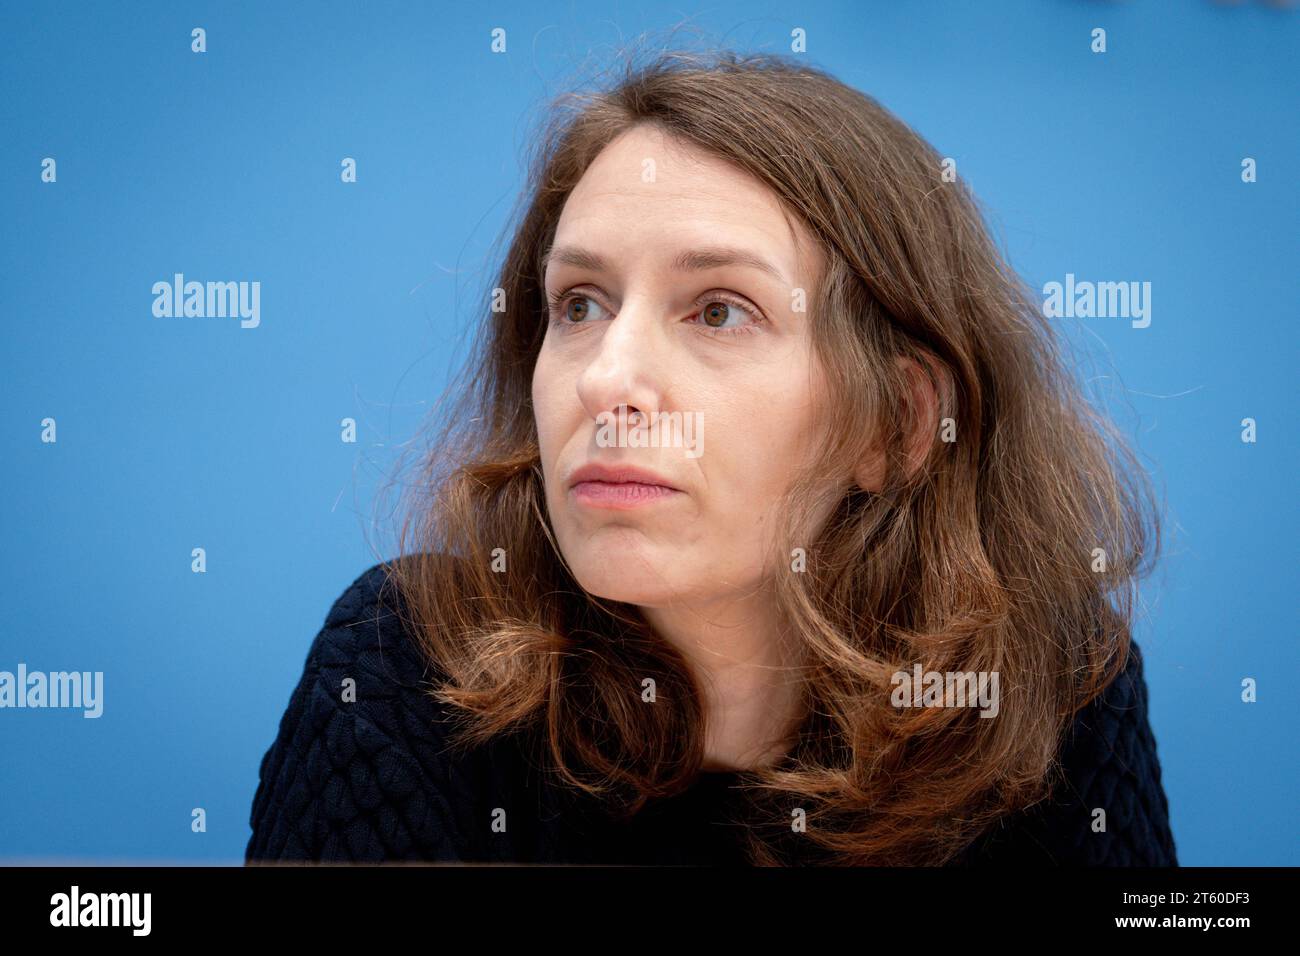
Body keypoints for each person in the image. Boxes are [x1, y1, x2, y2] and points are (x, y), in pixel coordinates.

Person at [246, 49, 1177, 866]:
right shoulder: (406, 667)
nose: (606, 381)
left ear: (894, 425)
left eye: (719, 310)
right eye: (579, 305)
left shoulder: (1053, 692)